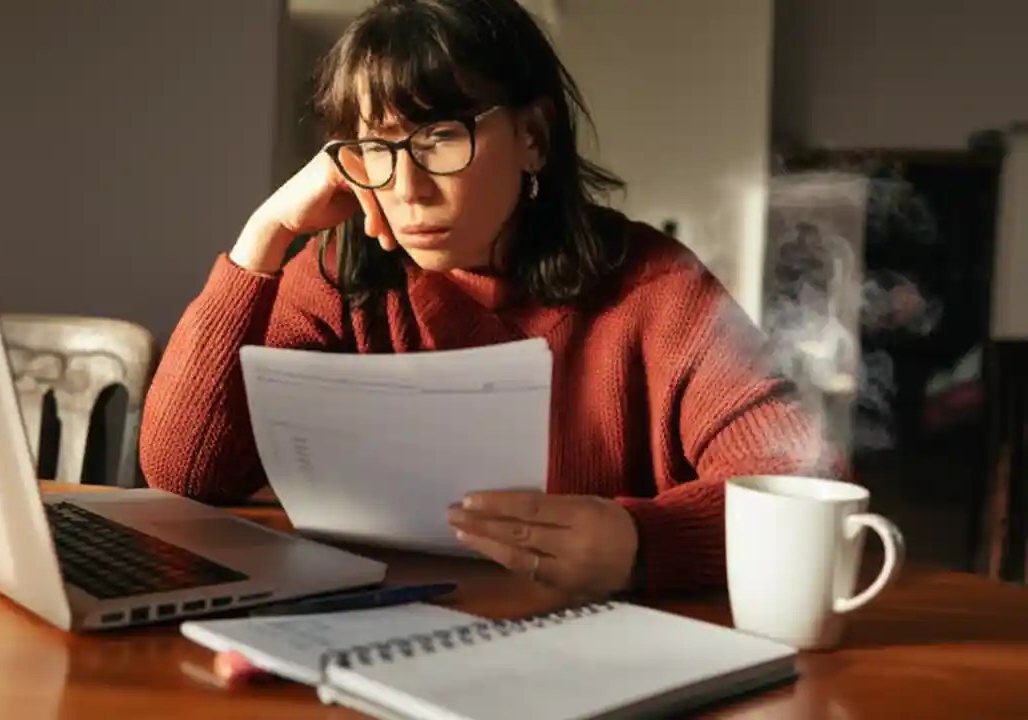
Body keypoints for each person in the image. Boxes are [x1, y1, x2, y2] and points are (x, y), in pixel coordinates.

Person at [139, 0, 837, 599]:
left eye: (440, 138)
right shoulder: (338, 277)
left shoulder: (652, 286)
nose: (406, 188)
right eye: (376, 149)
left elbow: (801, 482)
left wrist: (641, 541)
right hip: (383, 636)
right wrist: (264, 238)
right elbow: (183, 472)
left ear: (532, 136)